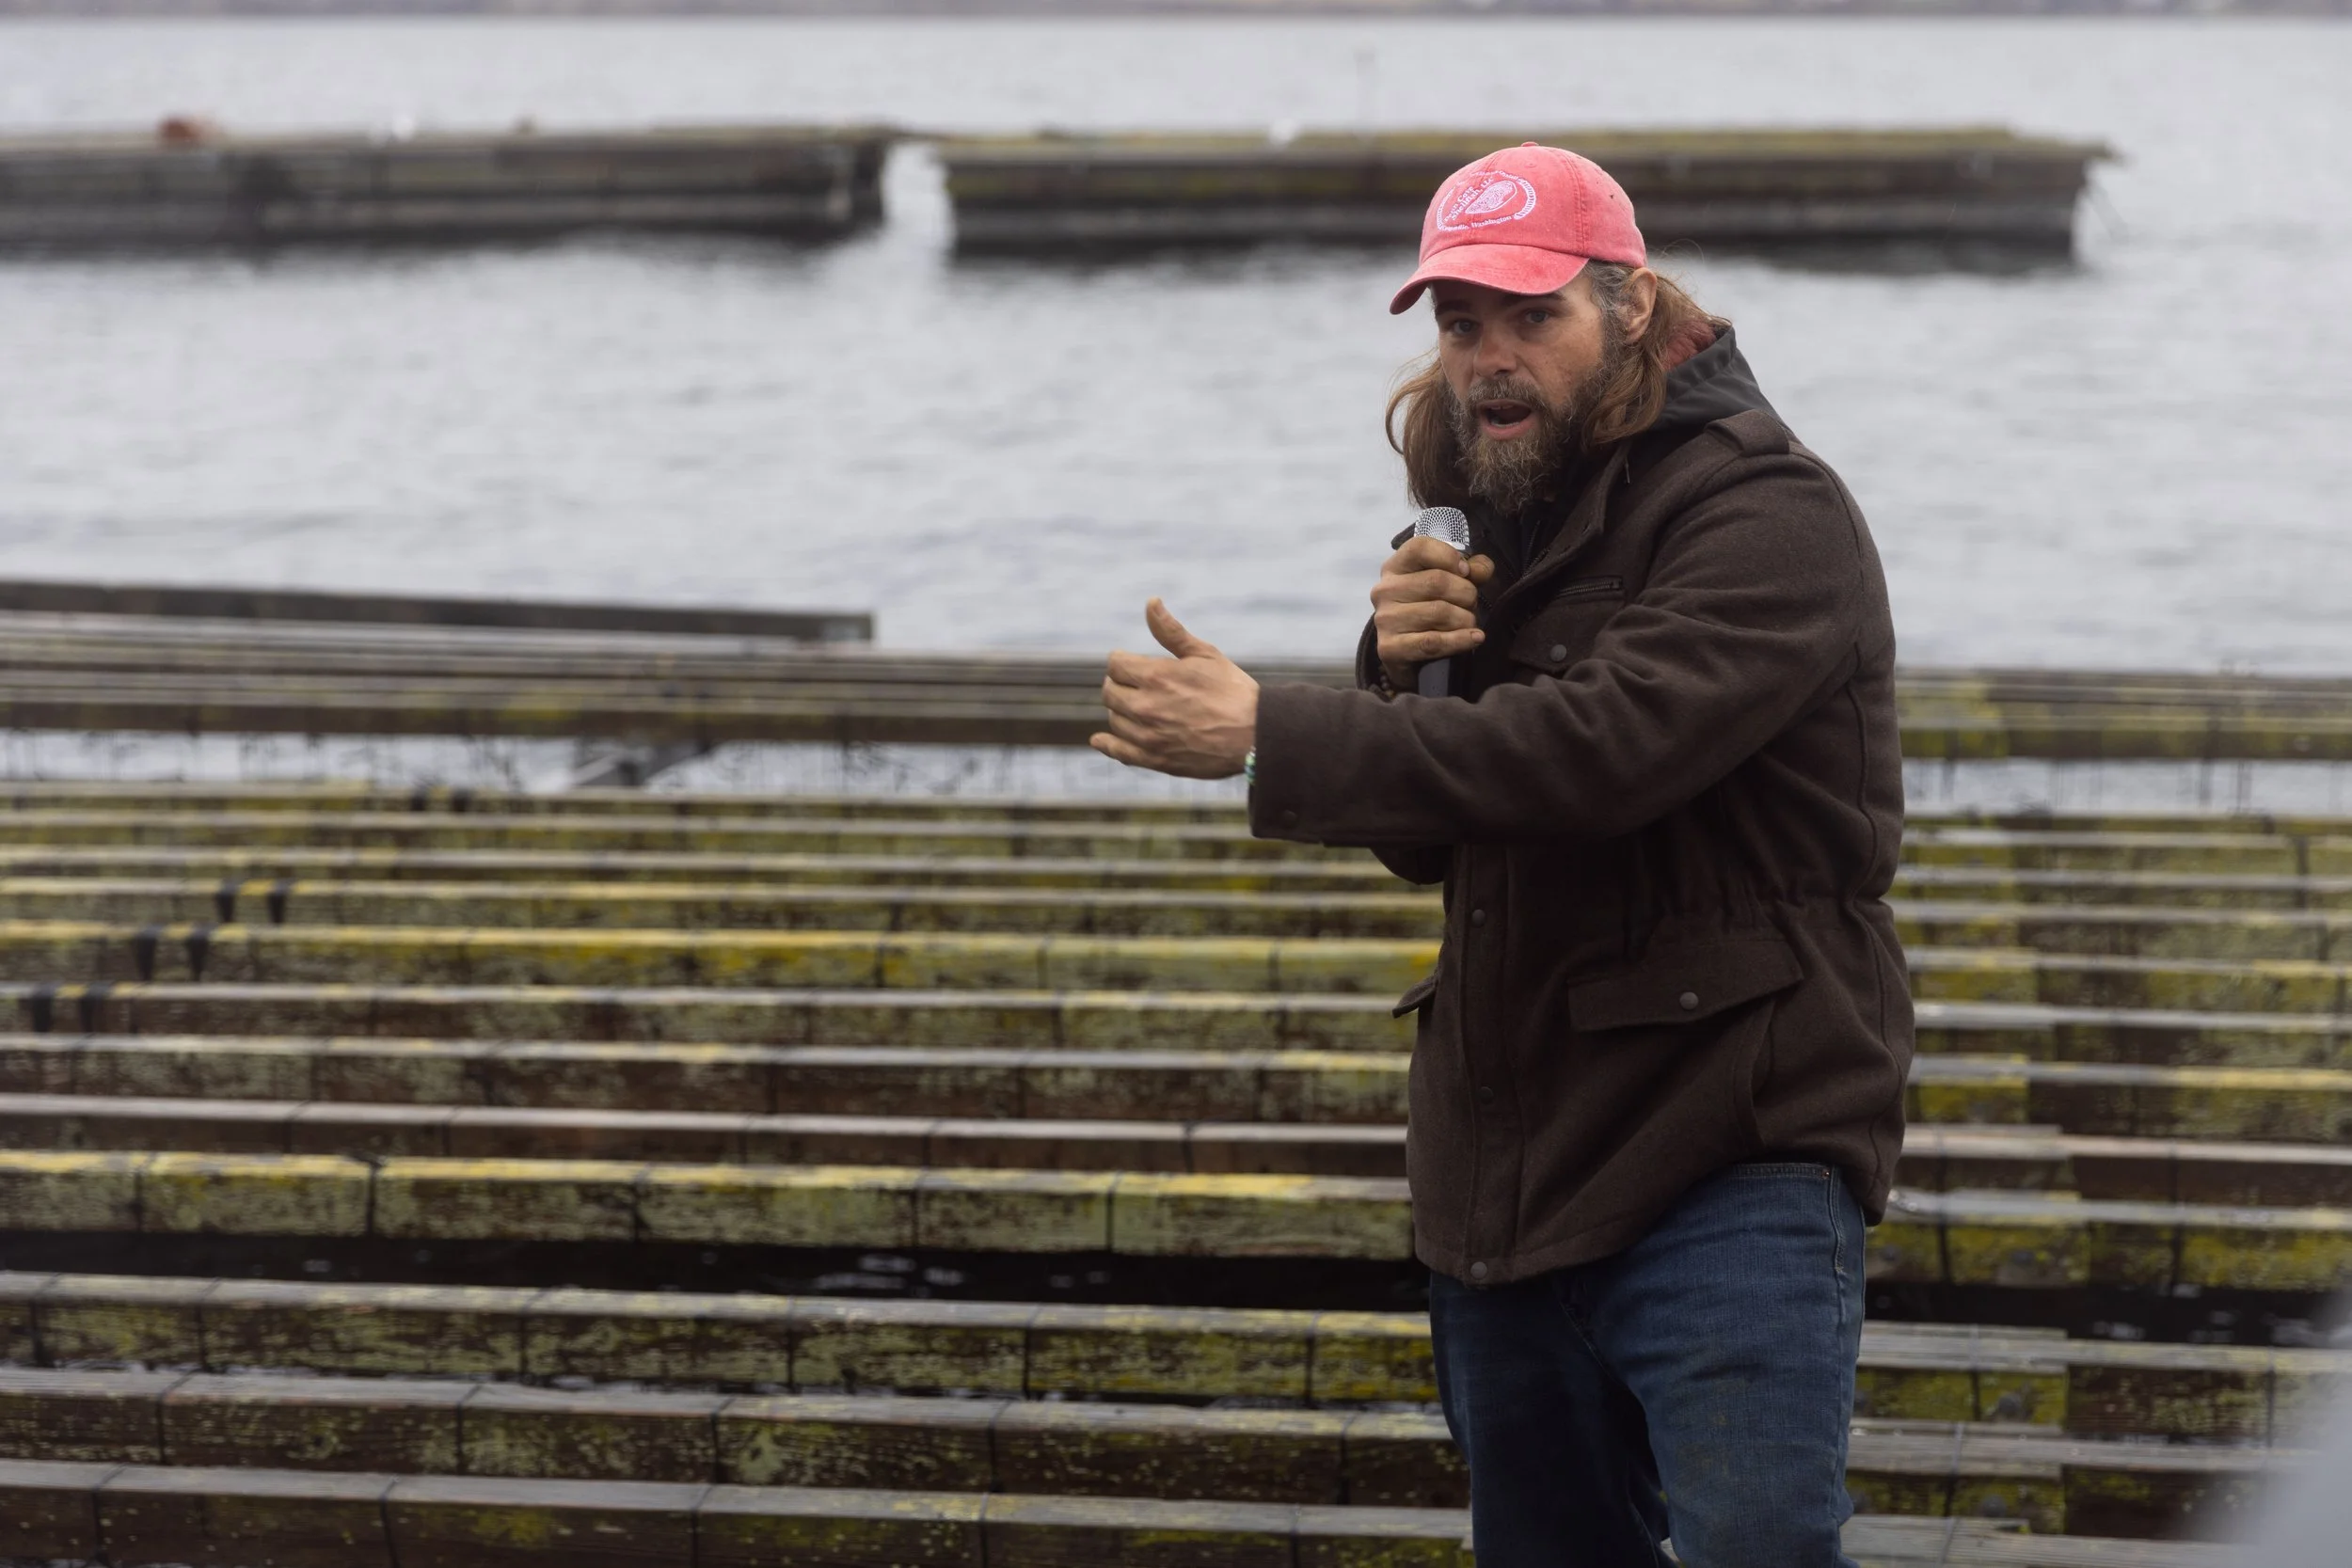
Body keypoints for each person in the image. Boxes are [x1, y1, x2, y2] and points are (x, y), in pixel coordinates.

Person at [1090, 142, 1910, 1567]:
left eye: (1533, 315)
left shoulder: (1770, 513)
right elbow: (1429, 841)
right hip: (1507, 1163)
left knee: (1760, 1546)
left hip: (1738, 1142)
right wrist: (1397, 662)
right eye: (1462, 323)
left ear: (1635, 307)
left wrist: (1278, 732)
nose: (1491, 358)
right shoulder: (1476, 498)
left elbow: (1598, 751)